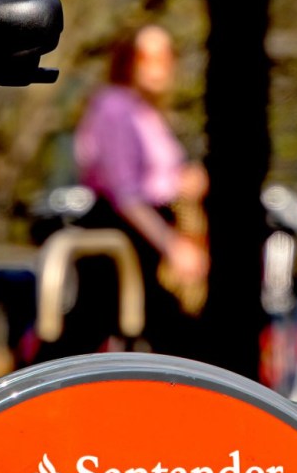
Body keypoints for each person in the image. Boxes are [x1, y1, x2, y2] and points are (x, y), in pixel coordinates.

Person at [50, 24, 205, 360]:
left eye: (166, 57)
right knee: (91, 333)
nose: (158, 66)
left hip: (151, 229)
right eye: (146, 57)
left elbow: (157, 176)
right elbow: (126, 193)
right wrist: (172, 244)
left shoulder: (148, 112)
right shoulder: (115, 107)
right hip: (124, 231)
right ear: (127, 61)